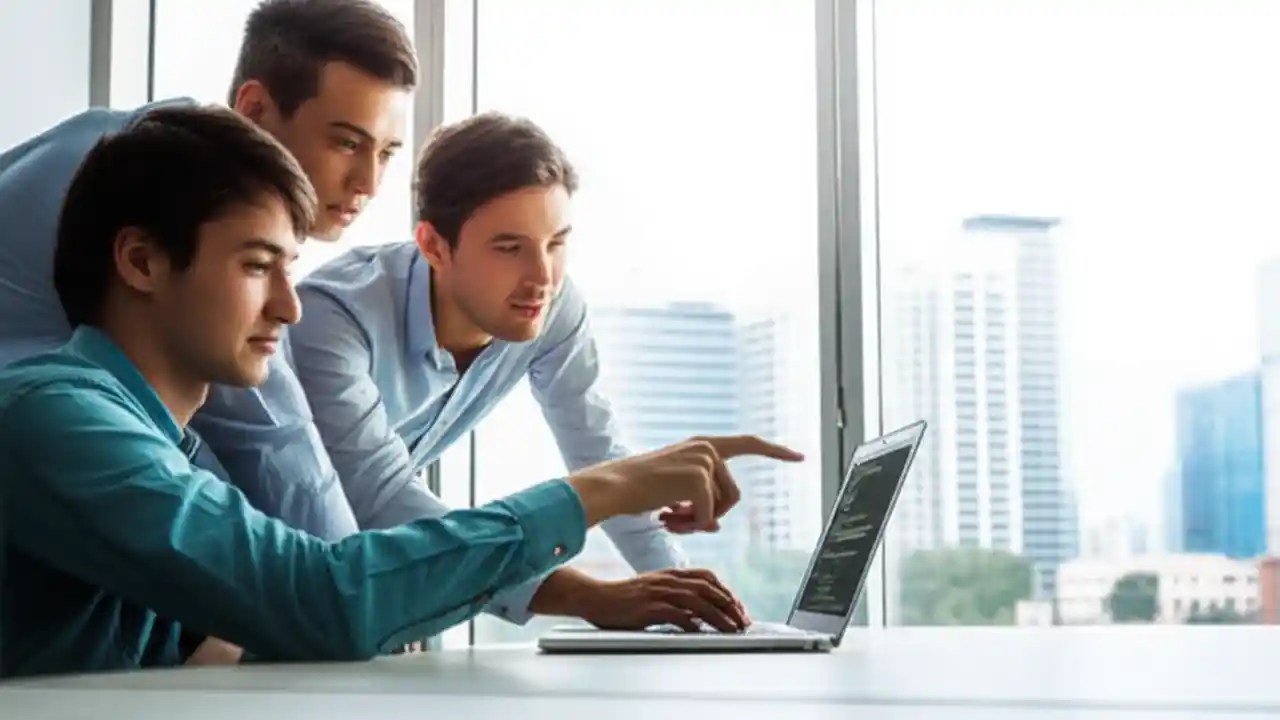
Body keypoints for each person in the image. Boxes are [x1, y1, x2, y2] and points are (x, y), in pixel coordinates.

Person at [0, 0, 743, 638]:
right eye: (345, 142)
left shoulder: (165, 408)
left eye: (386, 152)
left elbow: (300, 565)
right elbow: (323, 554)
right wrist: (589, 523)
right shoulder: (130, 221)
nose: (366, 185)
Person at [288, 111, 779, 633]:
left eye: (556, 243)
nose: (542, 277)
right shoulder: (330, 318)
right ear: (434, 246)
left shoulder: (550, 308)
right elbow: (381, 497)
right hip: (268, 575)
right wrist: (590, 597)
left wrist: (686, 600)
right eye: (510, 248)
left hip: (366, 574)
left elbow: (597, 451)